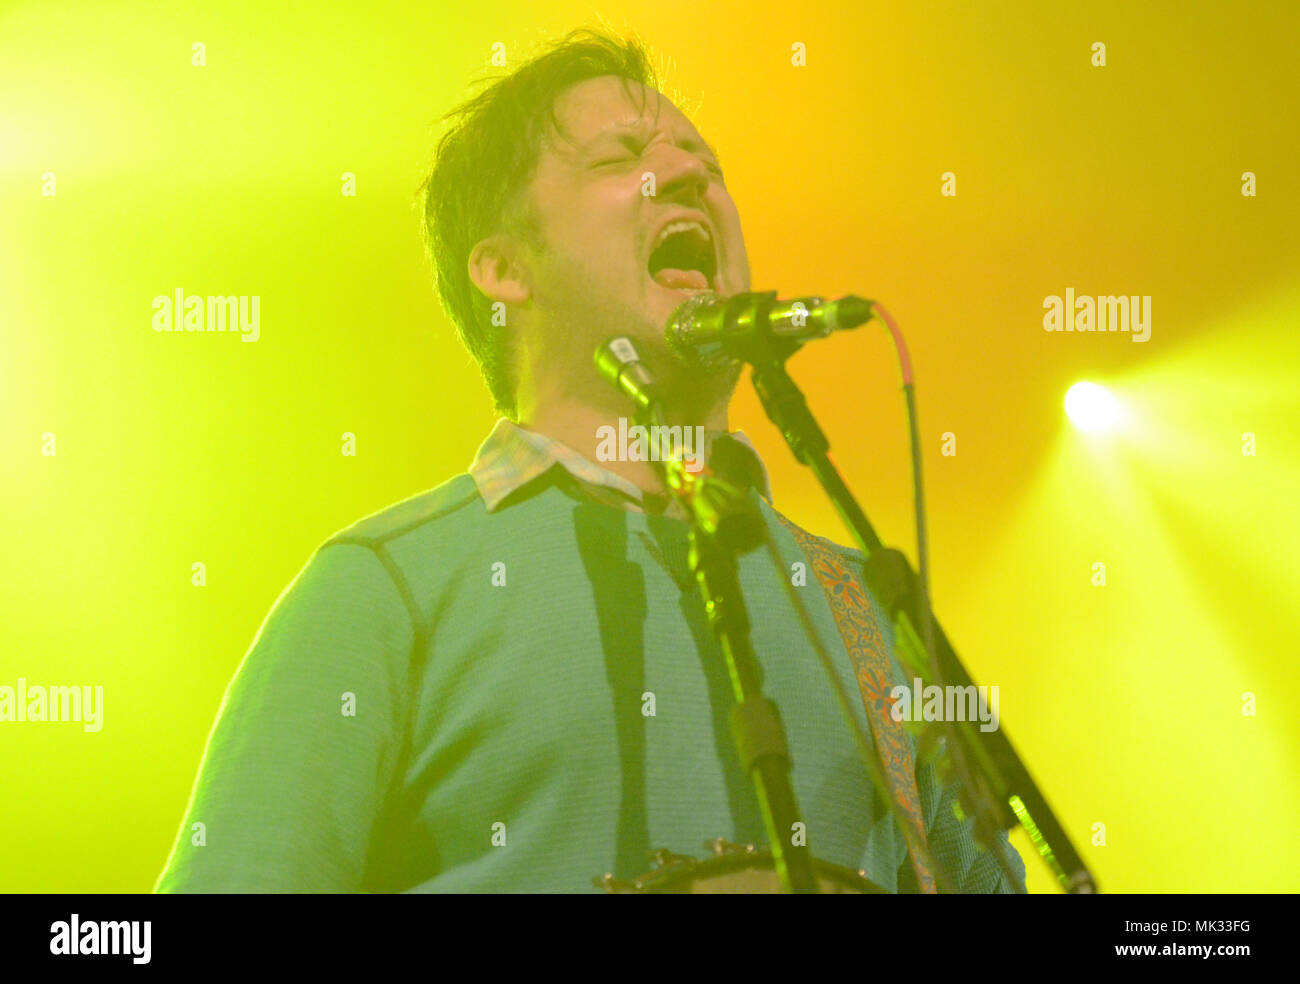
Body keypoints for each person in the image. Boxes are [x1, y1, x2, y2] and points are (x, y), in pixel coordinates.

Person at [156, 29, 1025, 894]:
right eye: (625, 158)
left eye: (705, 162)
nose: (692, 178)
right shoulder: (383, 588)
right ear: (504, 269)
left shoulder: (863, 606)